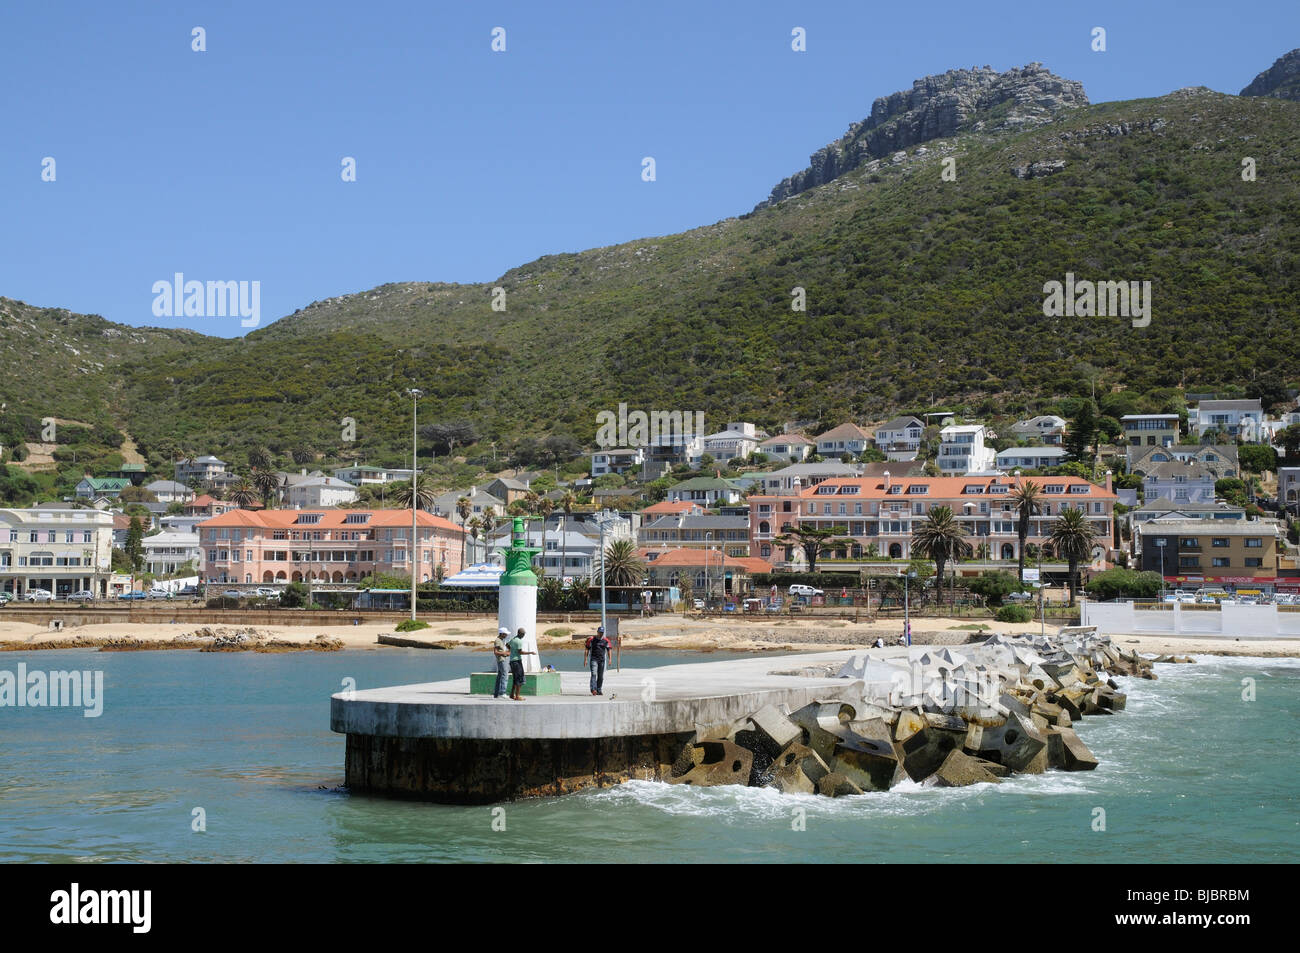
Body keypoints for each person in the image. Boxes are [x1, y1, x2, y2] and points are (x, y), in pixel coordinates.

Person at [507, 626, 536, 701]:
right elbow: (520, 652)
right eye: (523, 634)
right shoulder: (519, 641)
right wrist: (530, 652)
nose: (524, 635)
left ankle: (511, 694)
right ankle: (517, 696)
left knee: (515, 679)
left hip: (512, 661)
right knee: (519, 679)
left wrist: (511, 651)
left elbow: (507, 644)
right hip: (517, 662)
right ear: (521, 634)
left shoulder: (513, 639)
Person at [584, 625, 612, 696]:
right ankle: (593, 689)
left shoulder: (606, 640)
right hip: (593, 659)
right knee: (593, 674)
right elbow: (587, 649)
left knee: (600, 676)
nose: (601, 634)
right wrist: (585, 660)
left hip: (602, 660)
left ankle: (599, 689)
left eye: (602, 632)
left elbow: (609, 650)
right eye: (600, 632)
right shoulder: (592, 640)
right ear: (597, 632)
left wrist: (610, 659)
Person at [492, 627, 511, 699]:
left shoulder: (501, 640)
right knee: (505, 675)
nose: (506, 635)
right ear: (502, 633)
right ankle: (502, 692)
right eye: (505, 634)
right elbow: (496, 652)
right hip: (502, 660)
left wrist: (507, 650)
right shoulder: (498, 640)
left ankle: (496, 694)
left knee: (500, 676)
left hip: (502, 660)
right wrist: (505, 653)